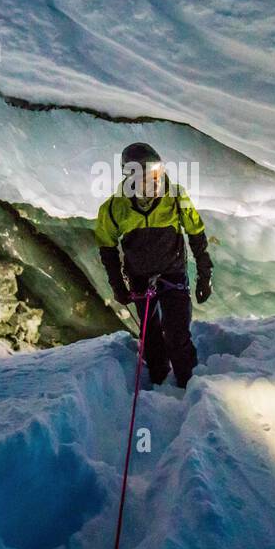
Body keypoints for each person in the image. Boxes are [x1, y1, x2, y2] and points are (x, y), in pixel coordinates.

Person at [94, 142, 212, 389]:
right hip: (140, 278)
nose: (154, 181)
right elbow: (107, 247)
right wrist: (117, 284)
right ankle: (158, 377)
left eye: (157, 173)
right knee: (150, 335)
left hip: (173, 274)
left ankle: (188, 384)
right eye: (147, 176)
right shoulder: (115, 208)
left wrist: (204, 274)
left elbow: (196, 233)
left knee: (177, 333)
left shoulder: (176, 197)